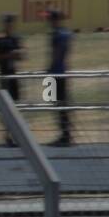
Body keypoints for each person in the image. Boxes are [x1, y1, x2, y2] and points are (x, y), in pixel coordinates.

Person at [45, 9, 74, 146]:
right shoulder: (66, 33)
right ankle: (66, 132)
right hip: (63, 71)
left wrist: (49, 70)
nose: (48, 22)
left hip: (55, 73)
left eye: (49, 19)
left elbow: (55, 54)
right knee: (61, 103)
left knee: (56, 103)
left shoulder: (56, 35)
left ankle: (65, 135)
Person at [0, 13, 25, 104]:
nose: (9, 25)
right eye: (7, 23)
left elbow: (21, 55)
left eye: (10, 23)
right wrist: (9, 55)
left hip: (14, 73)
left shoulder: (15, 37)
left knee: (16, 100)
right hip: (3, 73)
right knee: (6, 101)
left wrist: (20, 53)